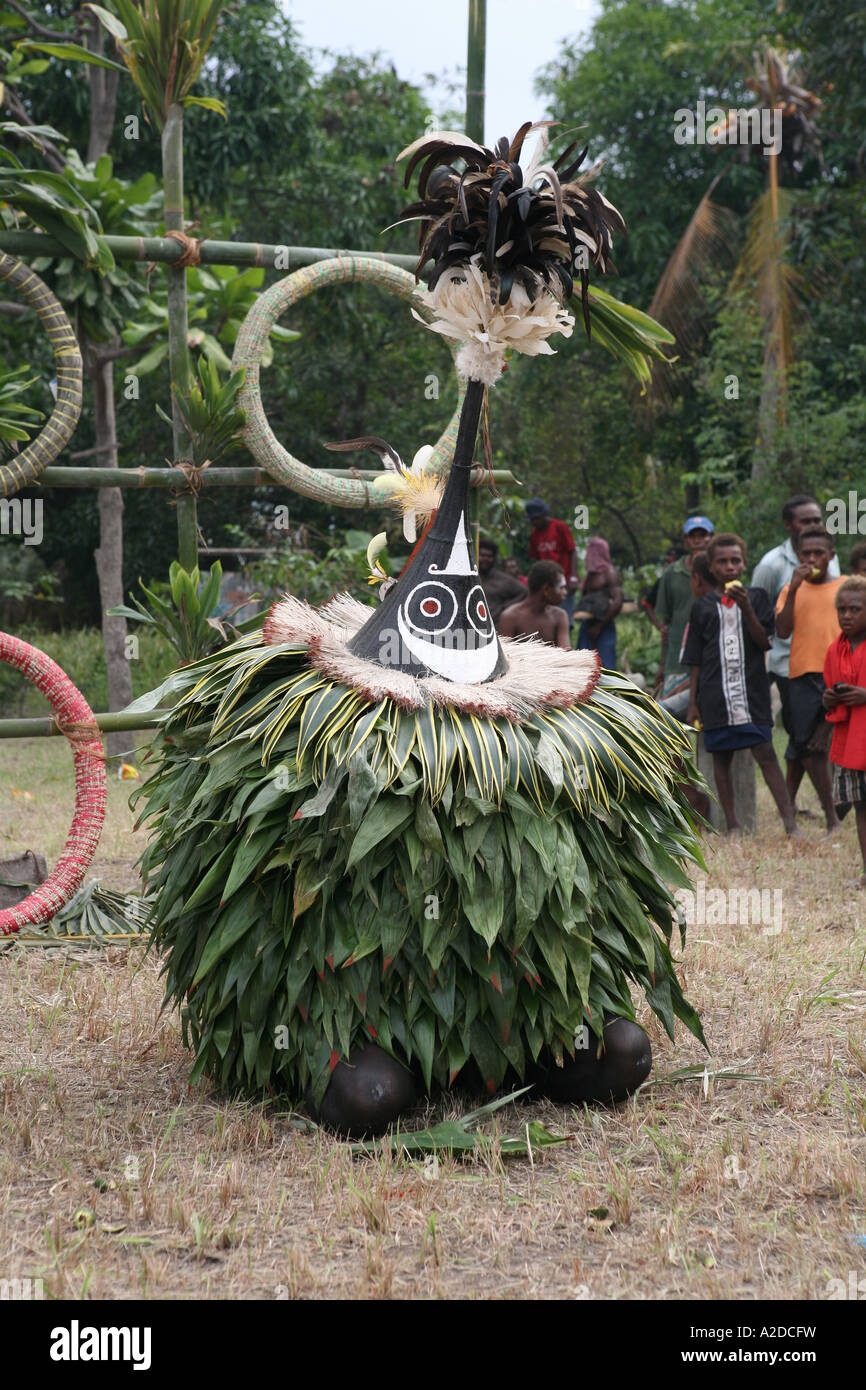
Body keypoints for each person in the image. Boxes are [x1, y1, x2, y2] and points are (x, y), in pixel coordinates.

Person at [684, 533, 799, 837]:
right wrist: (693, 701)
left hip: (752, 693)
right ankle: (732, 824)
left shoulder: (758, 597)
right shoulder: (703, 606)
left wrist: (746, 608)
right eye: (722, 562)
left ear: (744, 564)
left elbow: (764, 642)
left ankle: (790, 823)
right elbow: (695, 658)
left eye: (735, 560)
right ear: (711, 566)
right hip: (715, 693)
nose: (730, 567)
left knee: (765, 753)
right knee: (722, 757)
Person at [752, 494, 841, 815]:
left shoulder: (831, 558)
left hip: (832, 667)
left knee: (806, 739)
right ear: (789, 525)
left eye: (817, 520)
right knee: (803, 738)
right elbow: (762, 613)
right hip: (789, 665)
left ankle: (791, 806)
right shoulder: (771, 564)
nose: (813, 526)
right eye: (806, 521)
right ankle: (819, 809)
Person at [775, 527, 845, 834]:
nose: (813, 558)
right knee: (803, 745)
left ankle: (829, 818)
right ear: (798, 557)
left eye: (819, 553)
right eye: (806, 554)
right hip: (802, 676)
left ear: (831, 555)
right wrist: (793, 587)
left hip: (840, 675)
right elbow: (782, 630)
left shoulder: (847, 587)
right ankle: (809, 818)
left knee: (811, 746)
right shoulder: (792, 588)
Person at [822, 577, 866, 886]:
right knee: (862, 806)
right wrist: (829, 698)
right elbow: (829, 688)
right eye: (842, 609)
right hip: (852, 743)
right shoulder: (835, 648)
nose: (847, 615)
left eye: (855, 609)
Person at [654, 516, 715, 701]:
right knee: (674, 718)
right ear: (686, 540)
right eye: (692, 535)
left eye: (702, 535)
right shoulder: (672, 572)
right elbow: (665, 623)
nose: (697, 540)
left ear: (711, 537)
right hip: (678, 662)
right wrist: (663, 663)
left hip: (710, 659)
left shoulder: (719, 568)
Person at [659, 552, 714, 720]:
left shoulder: (703, 611)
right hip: (700, 684)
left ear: (696, 579)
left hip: (708, 688)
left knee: (657, 714)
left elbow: (704, 666)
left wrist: (690, 698)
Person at [525, 498, 579, 626]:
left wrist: (573, 578)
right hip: (546, 585)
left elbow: (572, 551)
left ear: (545, 514)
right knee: (546, 621)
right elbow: (535, 558)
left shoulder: (560, 527)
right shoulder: (534, 534)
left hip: (563, 581)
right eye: (533, 519)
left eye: (537, 518)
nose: (535, 522)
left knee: (565, 620)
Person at [498, 561, 570, 648]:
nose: (565, 592)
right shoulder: (510, 617)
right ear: (546, 589)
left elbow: (565, 653)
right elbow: (506, 655)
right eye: (561, 588)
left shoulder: (559, 616)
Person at [576, 536, 622, 668]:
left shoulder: (609, 572)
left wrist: (599, 626)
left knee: (605, 667)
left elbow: (617, 601)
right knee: (584, 667)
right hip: (587, 625)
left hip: (604, 626)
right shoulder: (590, 575)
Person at [477, 537, 527, 623]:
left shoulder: (503, 579)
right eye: (482, 555)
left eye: (489, 556)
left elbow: (524, 592)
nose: (485, 559)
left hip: (494, 629)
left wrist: (504, 608)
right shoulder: (470, 577)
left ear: (494, 559)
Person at [642, 544, 682, 632]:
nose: (667, 565)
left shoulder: (692, 579)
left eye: (671, 562)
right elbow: (647, 605)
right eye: (666, 561)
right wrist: (660, 626)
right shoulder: (662, 581)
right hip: (671, 631)